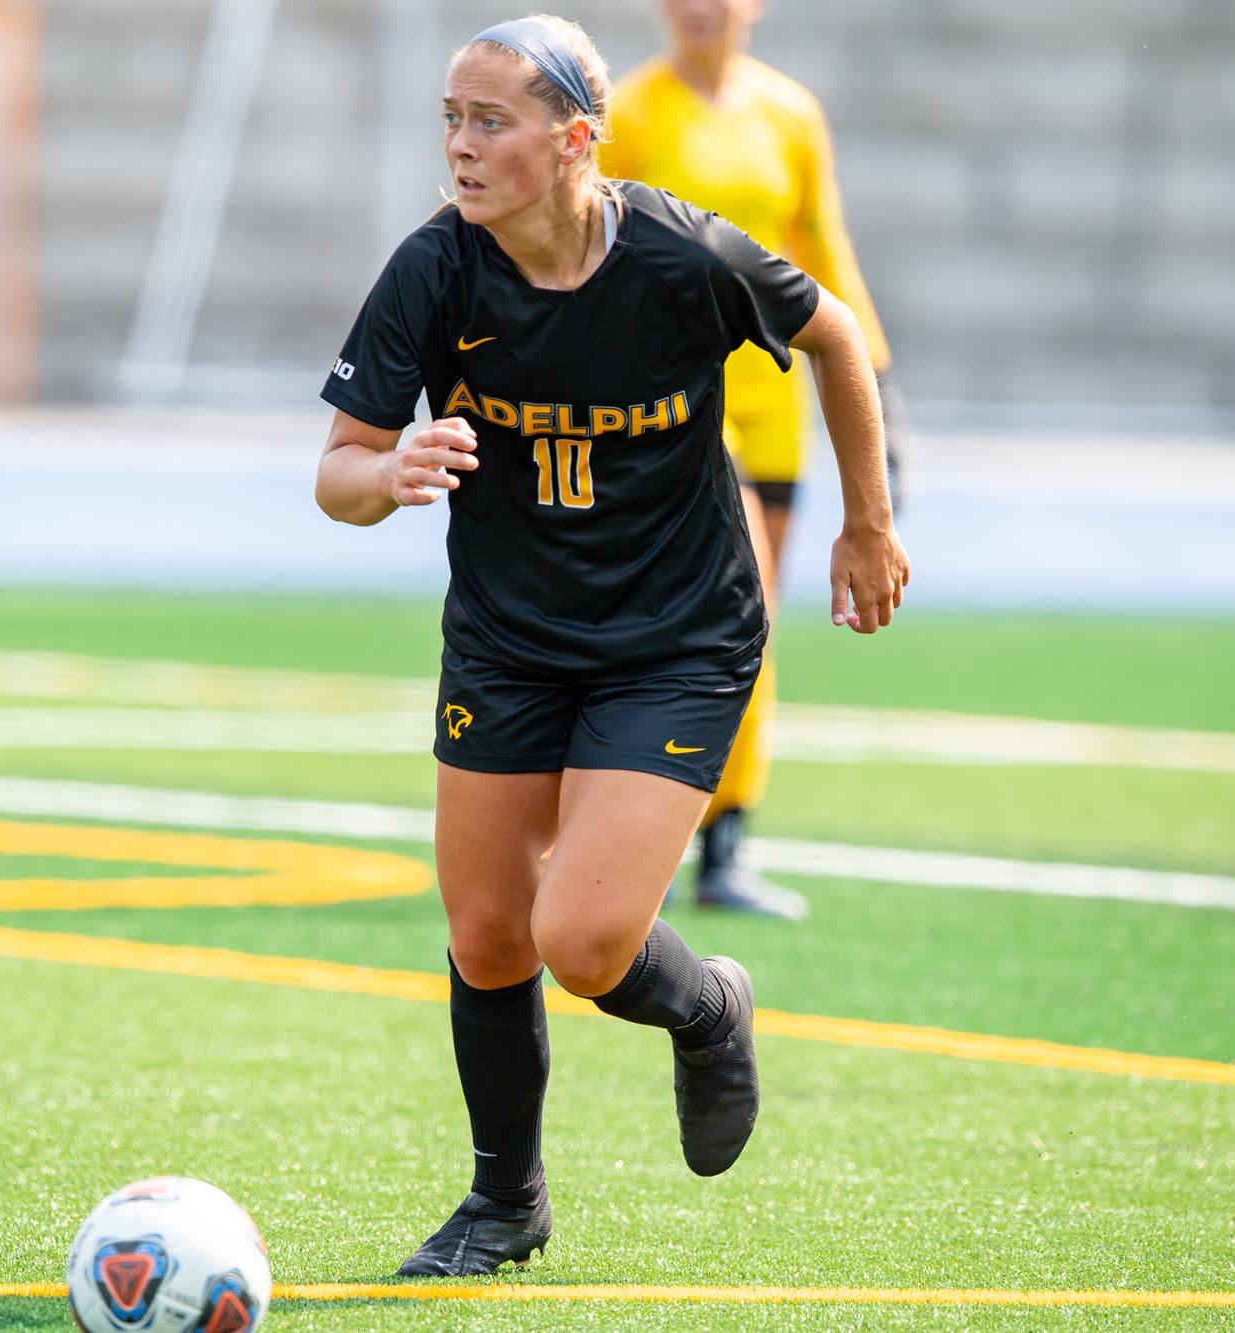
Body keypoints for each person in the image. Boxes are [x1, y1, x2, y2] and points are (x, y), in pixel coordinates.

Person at [315, 13, 907, 1278]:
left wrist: (865, 524)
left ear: (574, 140)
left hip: (675, 637)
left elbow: (835, 337)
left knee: (580, 939)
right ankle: (504, 1204)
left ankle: (708, 1006)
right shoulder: (435, 268)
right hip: (506, 639)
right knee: (484, 932)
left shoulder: (682, 255)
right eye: (450, 121)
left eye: (490, 122)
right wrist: (387, 470)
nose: (460, 148)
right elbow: (334, 475)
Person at [602, 0, 905, 920]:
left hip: (773, 408)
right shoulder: (631, 113)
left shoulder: (790, 113)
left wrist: (878, 394)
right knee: (691, 610)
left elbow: (824, 252)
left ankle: (723, 839)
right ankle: (627, 826)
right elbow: (588, 248)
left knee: (753, 624)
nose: (701, 8)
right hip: (673, 407)